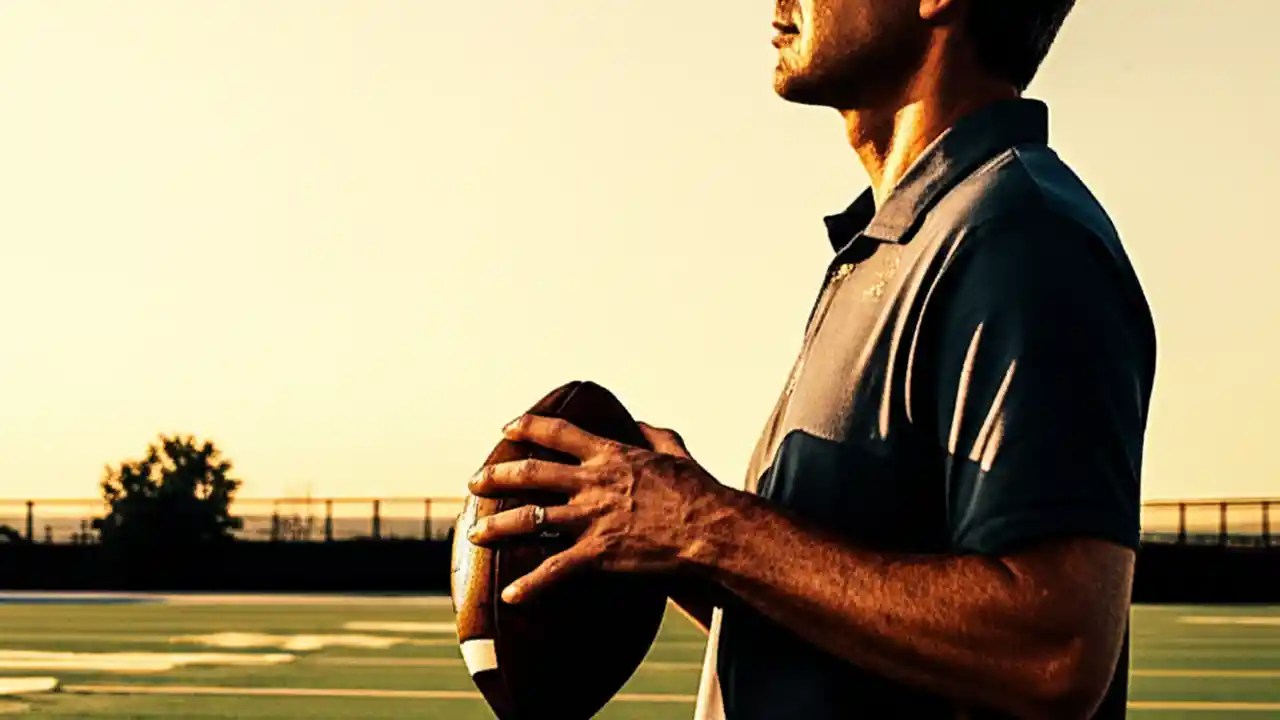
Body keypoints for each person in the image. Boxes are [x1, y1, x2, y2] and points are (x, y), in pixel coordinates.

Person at [467, 0, 1157, 717]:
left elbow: (1055, 651)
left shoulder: (1020, 239)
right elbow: (869, 637)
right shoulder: (899, 243)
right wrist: (688, 549)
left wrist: (707, 527)